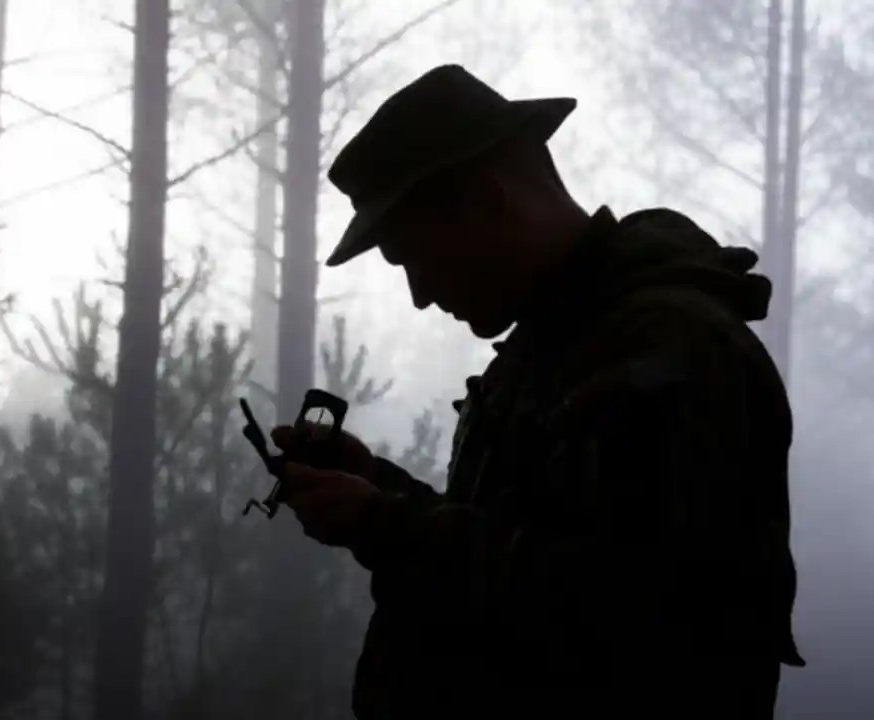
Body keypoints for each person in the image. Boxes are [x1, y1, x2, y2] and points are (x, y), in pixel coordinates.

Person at [270, 64, 806, 719]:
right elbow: (526, 541)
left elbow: (629, 620)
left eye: (417, 257)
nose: (420, 295)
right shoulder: (560, 344)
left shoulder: (671, 351)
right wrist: (381, 493)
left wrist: (388, 524)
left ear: (491, 201)